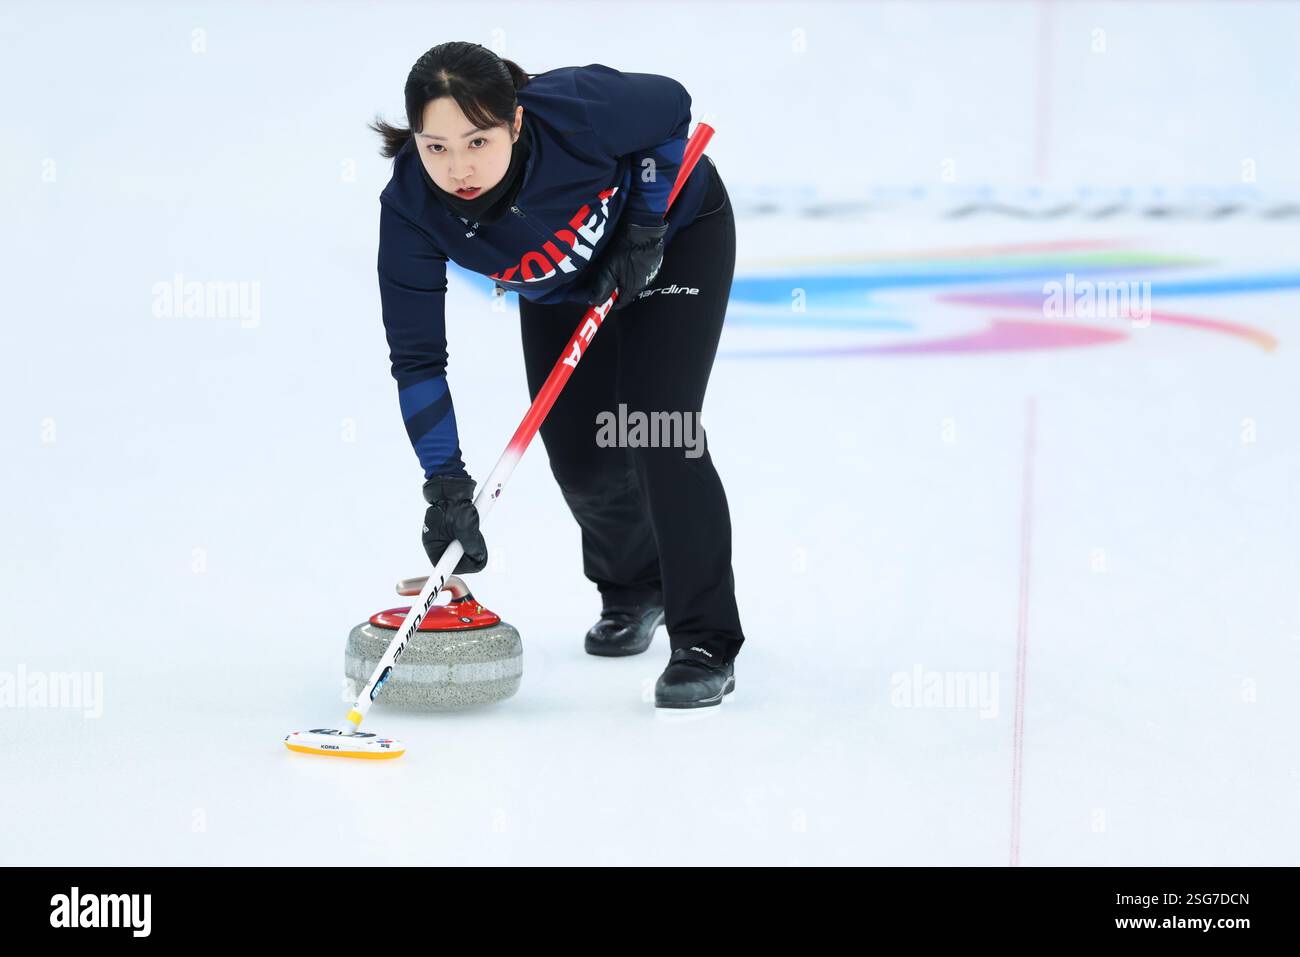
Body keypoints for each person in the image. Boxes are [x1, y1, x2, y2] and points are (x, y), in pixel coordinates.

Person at [372, 41, 743, 708]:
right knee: (581, 456)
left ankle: (705, 637)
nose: (458, 167)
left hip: (674, 244)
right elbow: (418, 358)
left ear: (515, 123)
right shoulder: (409, 208)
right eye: (436, 147)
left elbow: (670, 107)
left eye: (477, 140)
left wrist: (642, 222)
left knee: (658, 427)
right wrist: (445, 480)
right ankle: (634, 588)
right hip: (561, 287)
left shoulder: (575, 112)